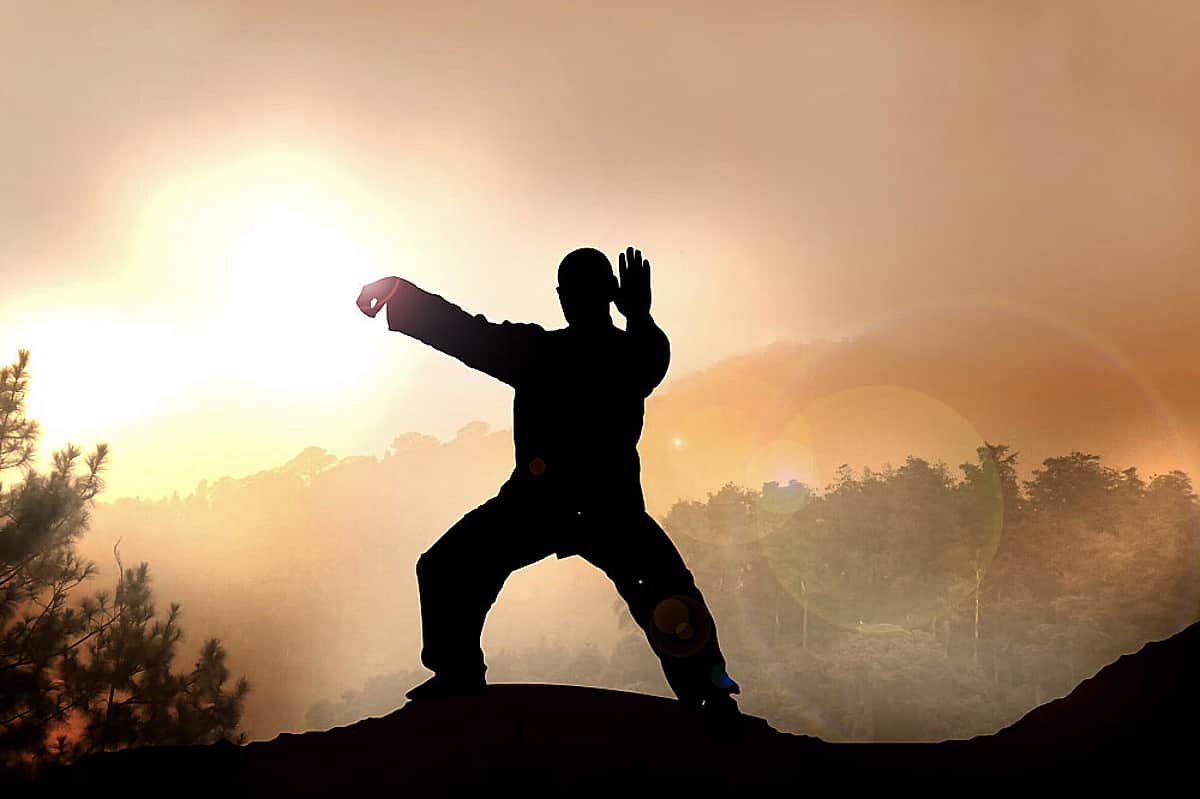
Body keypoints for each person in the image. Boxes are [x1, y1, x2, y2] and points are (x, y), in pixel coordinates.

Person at [355, 246, 740, 717]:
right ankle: (709, 693)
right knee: (666, 590)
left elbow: (464, 332)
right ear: (612, 294)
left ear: (562, 297)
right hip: (608, 511)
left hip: (540, 505)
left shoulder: (537, 353)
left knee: (447, 567)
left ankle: (457, 674)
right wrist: (639, 314)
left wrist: (398, 291)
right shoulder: (627, 353)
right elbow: (650, 357)